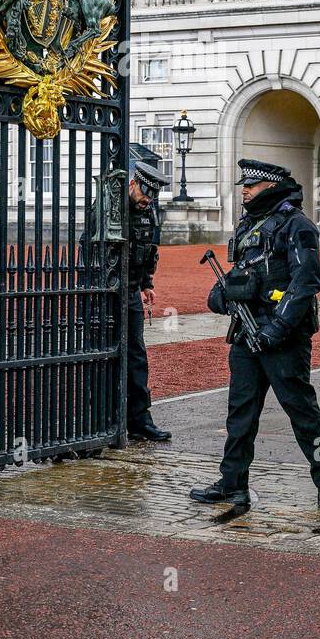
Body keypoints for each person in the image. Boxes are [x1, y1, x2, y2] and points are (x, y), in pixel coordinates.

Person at [190, 159, 320, 511]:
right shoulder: (248, 225)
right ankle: (232, 482)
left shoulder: (298, 226)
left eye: (252, 185)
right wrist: (224, 293)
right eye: (245, 184)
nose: (244, 189)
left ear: (271, 186)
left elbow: (306, 283)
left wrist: (278, 328)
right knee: (240, 412)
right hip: (247, 333)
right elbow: (241, 272)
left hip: (283, 337)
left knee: (302, 413)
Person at [125, 162, 171, 442]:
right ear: (133, 183)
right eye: (145, 193)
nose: (147, 200)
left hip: (131, 291)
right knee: (105, 356)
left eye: (152, 196)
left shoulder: (147, 211)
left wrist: (146, 284)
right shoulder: (110, 207)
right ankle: (103, 419)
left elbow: (149, 248)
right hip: (106, 293)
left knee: (136, 357)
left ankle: (140, 420)